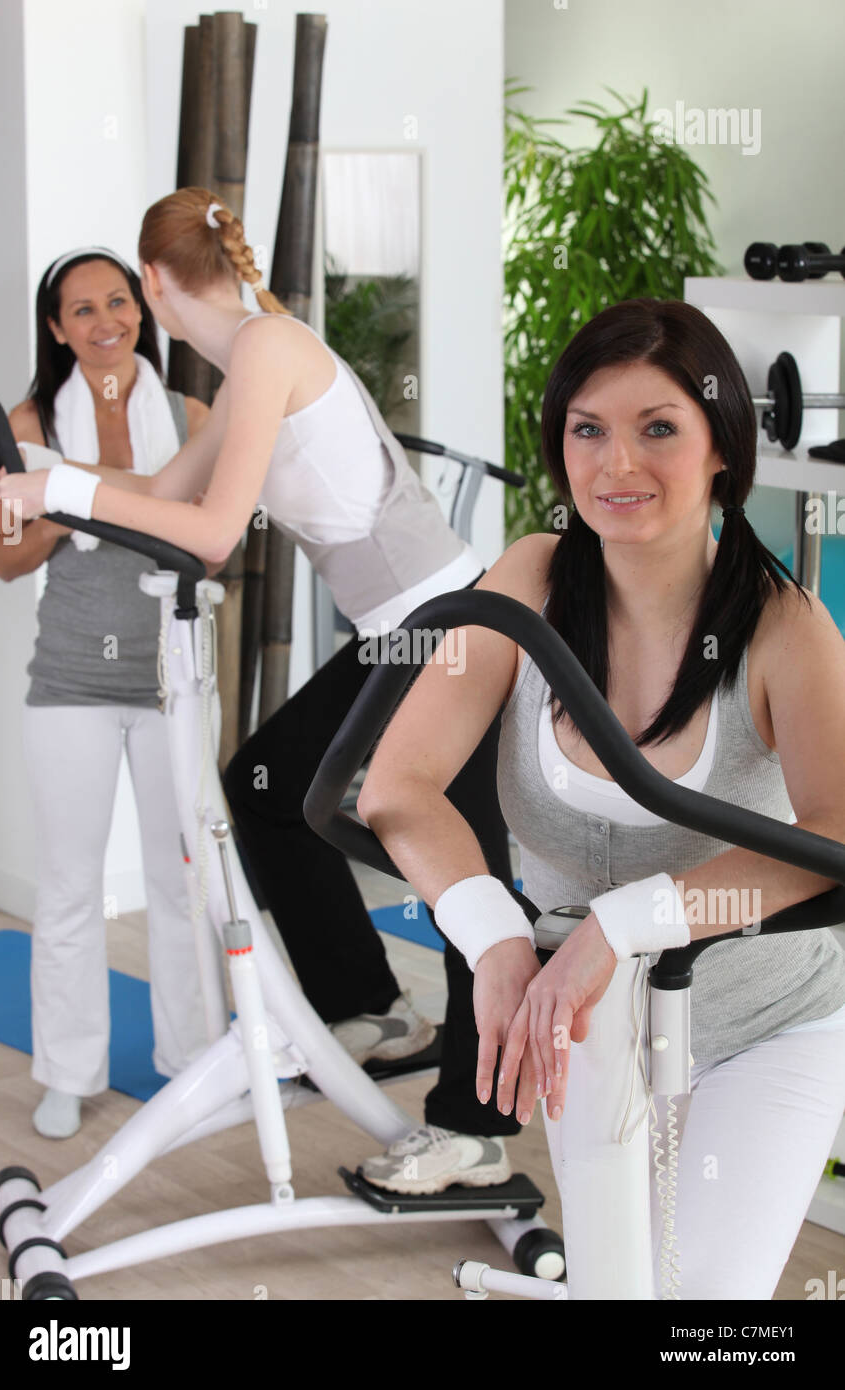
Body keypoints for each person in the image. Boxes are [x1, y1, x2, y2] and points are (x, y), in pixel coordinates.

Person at [0, 188, 522, 1191]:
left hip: (442, 622)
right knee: (268, 787)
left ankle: (474, 1130)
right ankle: (370, 1005)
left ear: (152, 284)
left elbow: (214, 530)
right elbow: (163, 490)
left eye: (124, 297)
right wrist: (35, 472)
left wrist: (55, 492)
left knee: (463, 867)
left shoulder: (269, 354)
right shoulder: (247, 367)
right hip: (392, 630)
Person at [353, 298, 845, 1296]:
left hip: (766, 1021)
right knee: (620, 1288)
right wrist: (494, 938)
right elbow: (396, 786)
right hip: (583, 1016)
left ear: (719, 448)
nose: (616, 464)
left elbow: (836, 826)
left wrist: (620, 924)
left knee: (704, 1308)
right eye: (588, 430)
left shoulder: (779, 623)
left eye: (656, 428)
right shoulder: (528, 581)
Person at [0, 248, 210, 1139]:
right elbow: (5, 558)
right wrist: (50, 501)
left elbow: (212, 541)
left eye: (118, 301)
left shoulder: (191, 414)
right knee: (70, 886)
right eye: (81, 309)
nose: (105, 321)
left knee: (181, 882)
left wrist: (74, 488)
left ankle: (192, 1064)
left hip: (174, 679)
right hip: (71, 678)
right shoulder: (21, 421)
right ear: (56, 328)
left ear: (140, 311)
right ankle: (67, 1072)